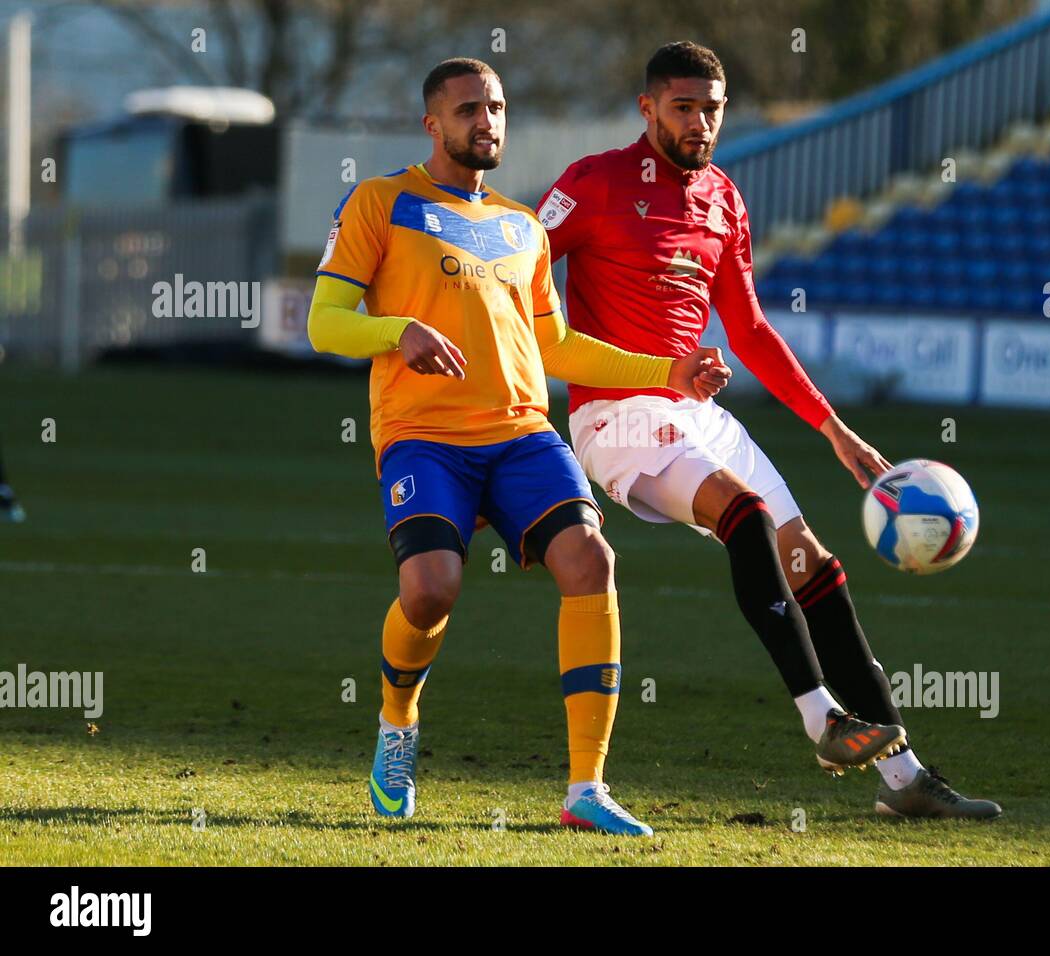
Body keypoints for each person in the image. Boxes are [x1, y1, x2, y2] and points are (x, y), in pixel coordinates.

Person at [537, 41, 1000, 818]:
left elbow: (749, 329)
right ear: (648, 108)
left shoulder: (723, 197)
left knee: (813, 563)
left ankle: (905, 781)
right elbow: (518, 273)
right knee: (741, 512)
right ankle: (820, 716)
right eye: (683, 106)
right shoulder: (591, 183)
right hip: (617, 415)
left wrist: (834, 431)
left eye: (711, 107)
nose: (700, 122)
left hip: (698, 412)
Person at [307, 57, 731, 835]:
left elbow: (557, 346)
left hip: (520, 433)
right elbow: (324, 320)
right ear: (433, 124)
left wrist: (668, 370)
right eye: (469, 109)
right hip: (423, 437)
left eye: (496, 107)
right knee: (431, 590)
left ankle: (585, 791)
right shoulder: (380, 202)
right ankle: (397, 724)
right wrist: (397, 333)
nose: (487, 122)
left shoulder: (521, 226)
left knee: (592, 561)